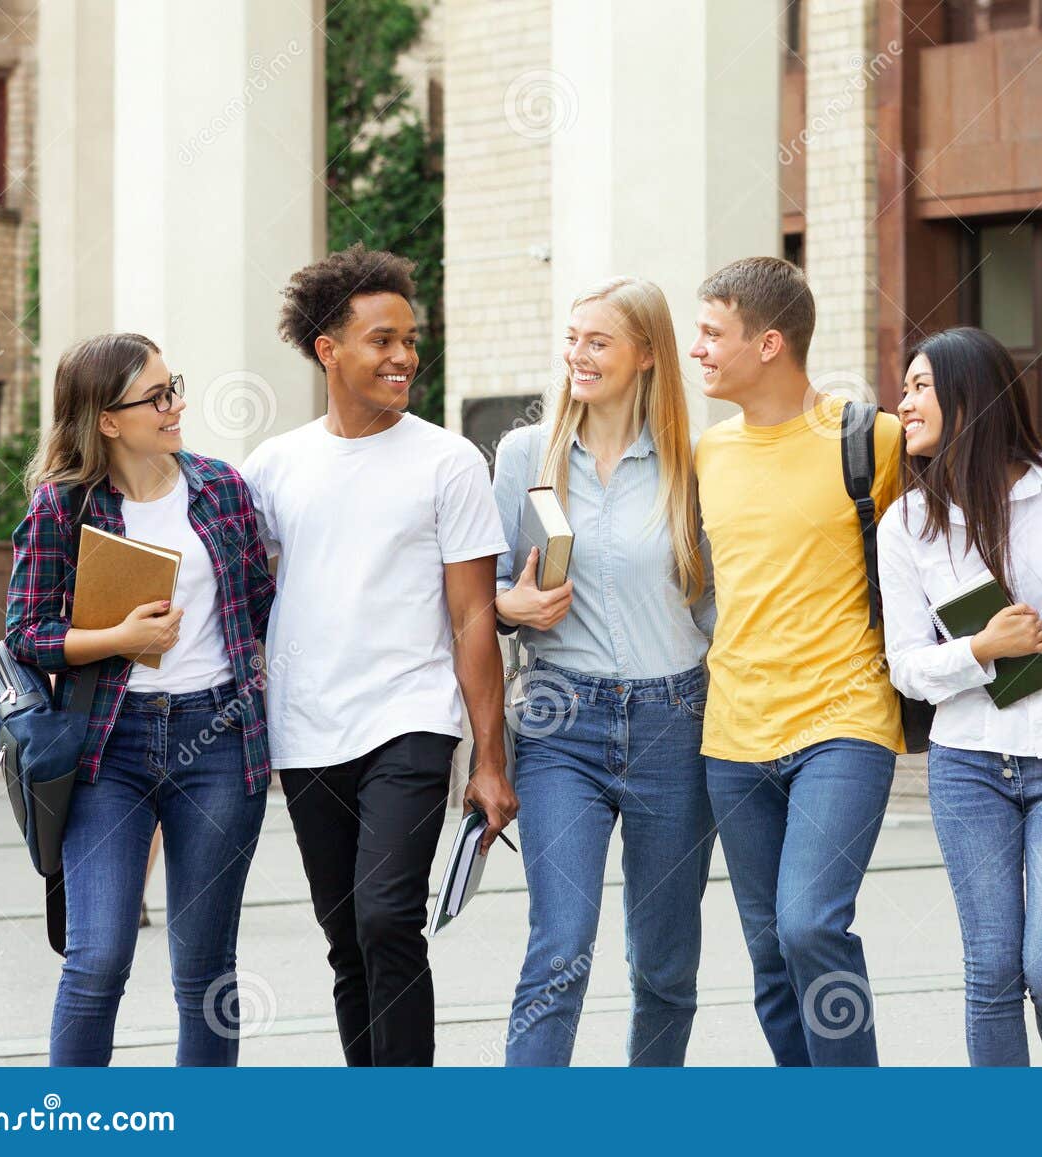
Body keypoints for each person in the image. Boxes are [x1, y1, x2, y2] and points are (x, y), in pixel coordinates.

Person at [242, 245, 516, 1067]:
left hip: (409, 718)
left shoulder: (449, 460)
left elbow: (473, 617)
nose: (404, 357)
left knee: (387, 916)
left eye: (409, 338)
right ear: (329, 349)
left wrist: (490, 759)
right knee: (345, 940)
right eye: (382, 340)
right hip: (308, 728)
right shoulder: (274, 467)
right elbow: (239, 598)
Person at [5, 333, 276, 1066]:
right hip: (107, 748)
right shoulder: (65, 507)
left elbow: (258, 605)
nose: (176, 403)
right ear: (108, 420)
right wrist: (115, 634)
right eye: (157, 396)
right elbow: (26, 634)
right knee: (96, 959)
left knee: (203, 971)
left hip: (219, 741)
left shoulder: (220, 486)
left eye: (173, 385)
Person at [878, 327, 1042, 1066]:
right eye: (905, 387)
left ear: (967, 394)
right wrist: (984, 650)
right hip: (969, 764)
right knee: (990, 971)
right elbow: (907, 666)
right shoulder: (908, 523)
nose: (904, 403)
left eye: (919, 387)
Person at [493, 276, 715, 1066]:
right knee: (560, 947)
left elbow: (719, 606)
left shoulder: (695, 463)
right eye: (572, 338)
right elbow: (480, 590)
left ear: (646, 355)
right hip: (560, 720)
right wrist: (510, 604)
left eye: (598, 341)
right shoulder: (527, 454)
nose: (576, 355)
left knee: (664, 964)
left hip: (677, 721)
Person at [689, 256, 903, 1066]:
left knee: (810, 921)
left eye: (713, 333)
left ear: (770, 342)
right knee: (770, 959)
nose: (698, 350)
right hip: (733, 736)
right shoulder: (711, 452)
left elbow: (942, 550)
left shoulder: (869, 439)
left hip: (845, 720)